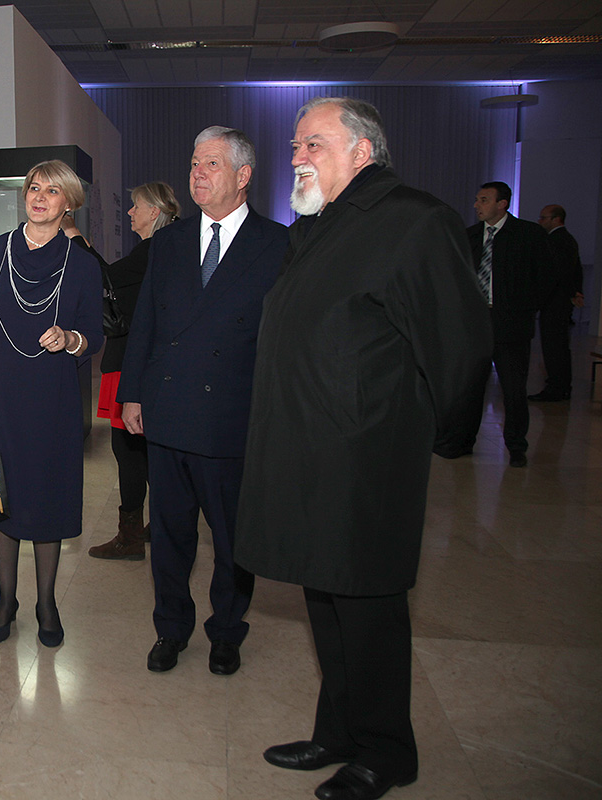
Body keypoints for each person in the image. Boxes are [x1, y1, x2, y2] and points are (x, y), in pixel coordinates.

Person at [235, 97, 491, 800]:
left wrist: (435, 437)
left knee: (369, 611)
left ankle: (387, 751)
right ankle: (339, 732)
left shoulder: (414, 220)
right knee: (326, 595)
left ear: (362, 151)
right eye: (294, 145)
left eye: (313, 144)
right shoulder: (318, 225)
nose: (297, 157)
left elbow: (462, 347)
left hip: (365, 461)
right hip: (309, 451)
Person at [116, 127, 289, 675]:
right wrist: (131, 393)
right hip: (168, 413)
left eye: (211, 163)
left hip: (232, 418)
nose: (197, 173)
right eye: (194, 162)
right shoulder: (168, 242)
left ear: (243, 175)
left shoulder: (278, 244)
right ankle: (171, 628)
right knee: (169, 536)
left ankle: (227, 631)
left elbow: (285, 339)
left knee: (233, 540)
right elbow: (145, 323)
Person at [0, 160, 103, 648]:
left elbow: (94, 334)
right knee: (2, 499)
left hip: (50, 403)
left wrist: (71, 339)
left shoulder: (81, 263)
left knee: (45, 497)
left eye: (52, 191)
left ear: (69, 203)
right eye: (34, 188)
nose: (39, 197)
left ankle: (46, 603)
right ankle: (5, 599)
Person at [60, 182, 180, 561]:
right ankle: (159, 526)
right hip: (144, 361)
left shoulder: (152, 249)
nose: (130, 212)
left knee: (127, 449)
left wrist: (74, 235)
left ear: (154, 212)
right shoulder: (165, 249)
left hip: (130, 361)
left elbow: (104, 278)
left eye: (136, 206)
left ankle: (130, 537)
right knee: (144, 449)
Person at [442, 181, 549, 466]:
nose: (477, 205)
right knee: (470, 388)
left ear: (502, 204)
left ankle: (516, 446)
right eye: (477, 200)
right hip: (475, 325)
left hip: (511, 325)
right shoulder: (470, 236)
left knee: (513, 389)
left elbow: (545, 277)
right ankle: (463, 441)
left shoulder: (528, 235)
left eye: (484, 200)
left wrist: (524, 308)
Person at [529, 204, 585, 401]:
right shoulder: (566, 240)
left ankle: (557, 387)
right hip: (559, 300)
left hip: (555, 302)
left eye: (543, 218)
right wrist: (576, 292)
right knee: (558, 346)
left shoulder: (557, 240)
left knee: (554, 346)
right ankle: (560, 385)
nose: (540, 221)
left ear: (556, 219)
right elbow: (575, 270)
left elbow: (557, 273)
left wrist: (539, 299)